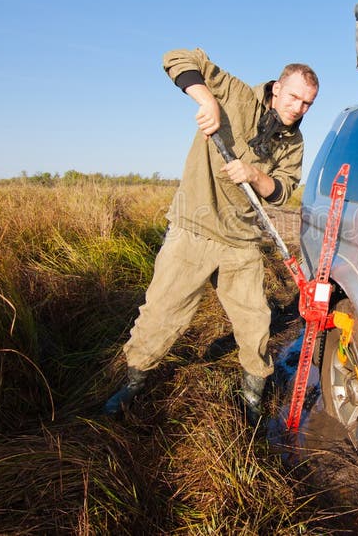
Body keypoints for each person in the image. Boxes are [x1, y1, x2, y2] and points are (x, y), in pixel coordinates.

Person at [104, 48, 318, 420]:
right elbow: (179, 57)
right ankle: (133, 384)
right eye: (294, 97)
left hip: (242, 240)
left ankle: (251, 395)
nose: (299, 107)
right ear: (277, 87)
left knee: (256, 322)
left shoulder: (294, 143)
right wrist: (207, 101)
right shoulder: (234, 94)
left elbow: (283, 190)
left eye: (307, 103)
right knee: (162, 314)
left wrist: (254, 175)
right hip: (194, 230)